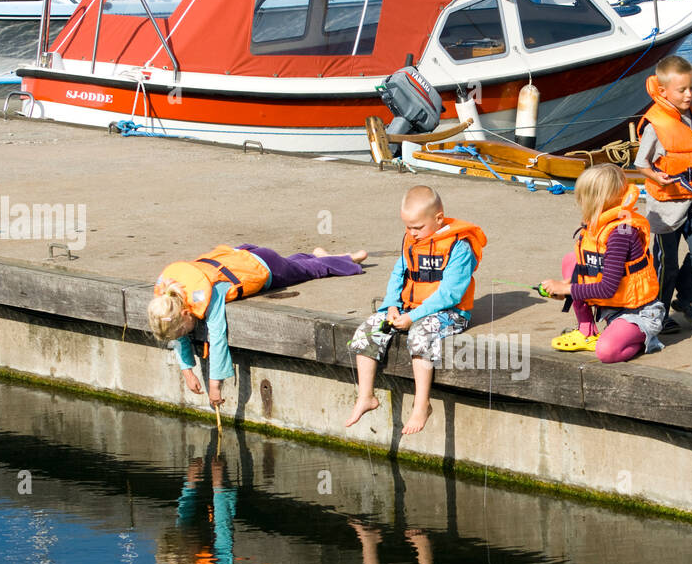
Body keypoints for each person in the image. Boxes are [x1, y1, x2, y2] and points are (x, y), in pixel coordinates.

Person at [148, 243, 367, 407]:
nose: (183, 336)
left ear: (186, 314)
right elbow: (180, 337)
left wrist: (215, 384)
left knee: (310, 271)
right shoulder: (172, 299)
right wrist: (187, 371)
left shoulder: (209, 295)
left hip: (265, 264)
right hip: (242, 254)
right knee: (295, 266)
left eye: (181, 332)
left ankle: (347, 260)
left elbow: (217, 338)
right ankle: (319, 256)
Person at [345, 185, 487, 435]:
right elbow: (399, 273)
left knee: (419, 335)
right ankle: (365, 396)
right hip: (410, 308)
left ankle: (422, 405)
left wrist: (413, 317)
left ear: (438, 218)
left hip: (451, 313)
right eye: (408, 227)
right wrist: (391, 305)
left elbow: (450, 293)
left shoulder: (458, 246)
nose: (412, 233)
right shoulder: (411, 239)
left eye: (418, 227)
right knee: (367, 331)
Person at [632, 54, 692, 334]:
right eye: (681, 90)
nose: (689, 95)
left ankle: (686, 299)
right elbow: (640, 163)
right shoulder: (656, 124)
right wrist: (655, 176)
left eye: (691, 88)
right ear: (663, 91)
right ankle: (658, 310)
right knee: (666, 265)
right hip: (666, 204)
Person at [539, 163, 663, 363]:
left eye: (582, 196)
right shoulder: (599, 224)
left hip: (637, 313)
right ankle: (586, 331)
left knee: (606, 352)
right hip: (609, 306)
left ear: (596, 199)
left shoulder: (621, 233)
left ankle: (641, 338)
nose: (579, 202)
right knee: (571, 260)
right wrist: (563, 288)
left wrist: (567, 288)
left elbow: (607, 289)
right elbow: (588, 272)